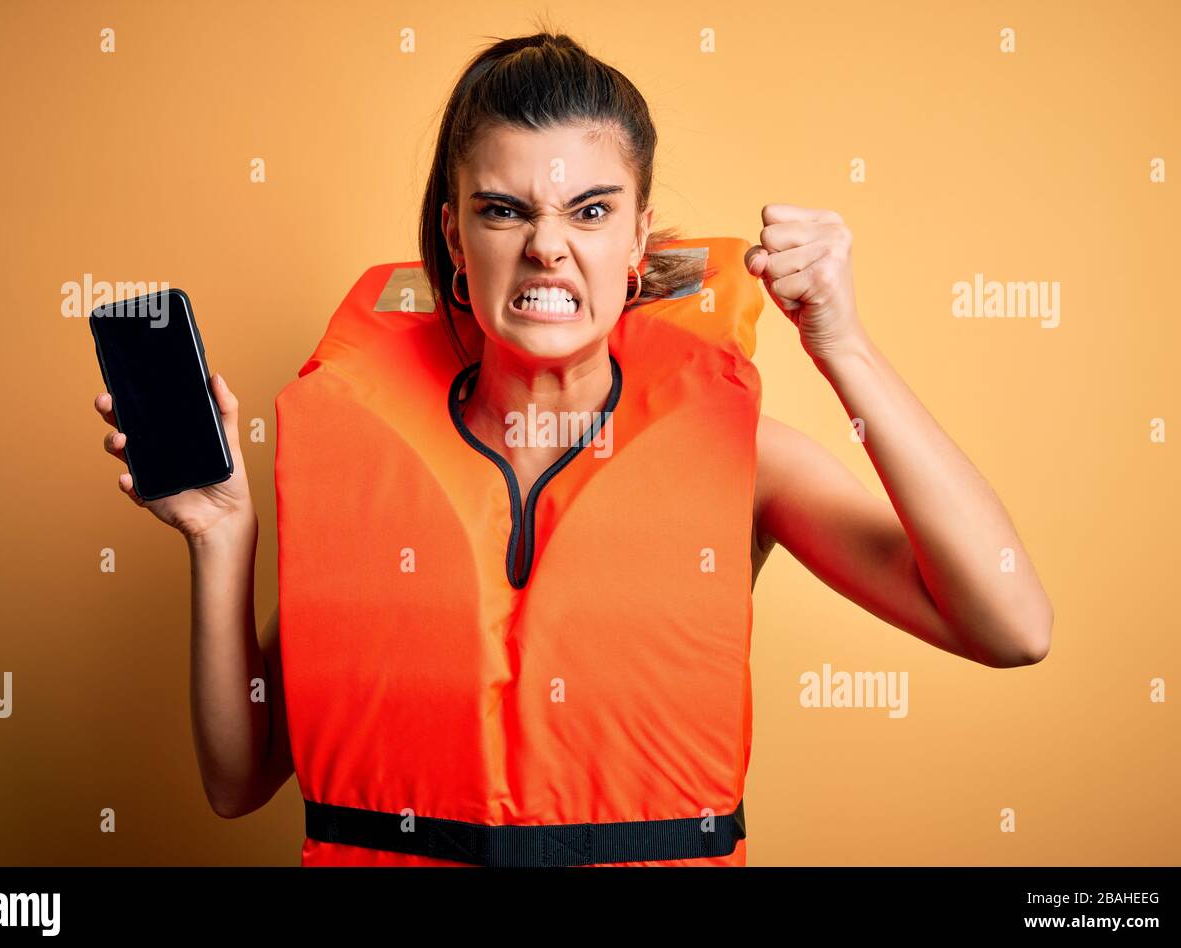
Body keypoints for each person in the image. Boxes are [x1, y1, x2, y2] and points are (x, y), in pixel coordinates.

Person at [91, 29, 1052, 865]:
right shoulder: (364, 465)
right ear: (454, 240)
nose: (549, 246)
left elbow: (1011, 627)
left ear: (639, 241)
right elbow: (237, 777)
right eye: (504, 209)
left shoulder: (747, 460)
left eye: (590, 211)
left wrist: (842, 343)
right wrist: (220, 536)